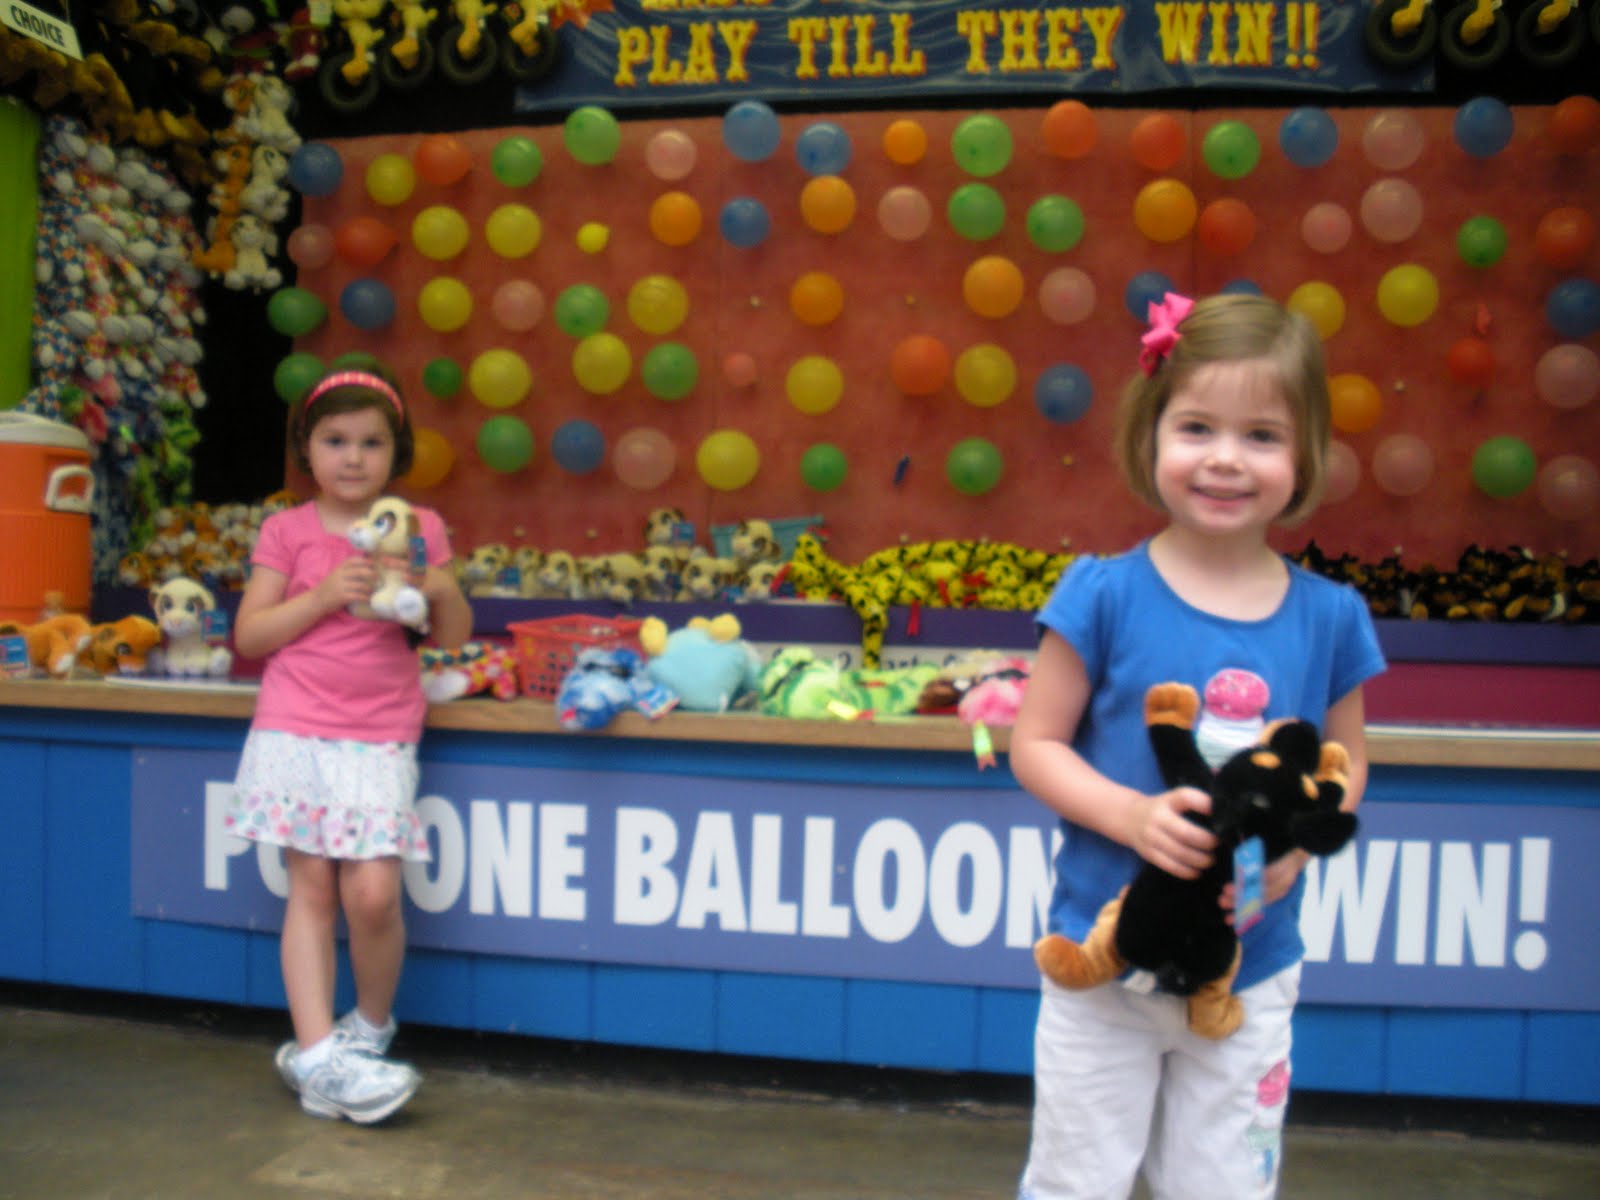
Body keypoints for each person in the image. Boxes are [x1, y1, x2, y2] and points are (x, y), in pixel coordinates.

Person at [1011, 293, 1386, 1199]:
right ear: (1151, 434)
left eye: (1262, 435)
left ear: (1305, 456)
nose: (1225, 458)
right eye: (1197, 427)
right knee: (1074, 1183)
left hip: (1249, 974)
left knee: (1226, 1185)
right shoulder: (1100, 595)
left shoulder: (1331, 617)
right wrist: (1131, 816)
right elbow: (1035, 744)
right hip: (1103, 964)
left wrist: (1299, 846)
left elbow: (1347, 762)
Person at [225, 367, 472, 1124]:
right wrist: (325, 594)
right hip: (295, 723)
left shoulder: (421, 527)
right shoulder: (287, 530)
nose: (354, 458)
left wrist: (437, 586)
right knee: (312, 889)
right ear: (307, 447)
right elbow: (250, 636)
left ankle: (366, 1031)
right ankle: (316, 1055)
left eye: (371, 442)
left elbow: (452, 636)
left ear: (397, 451)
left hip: (380, 732)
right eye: (335, 440)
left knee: (373, 895)